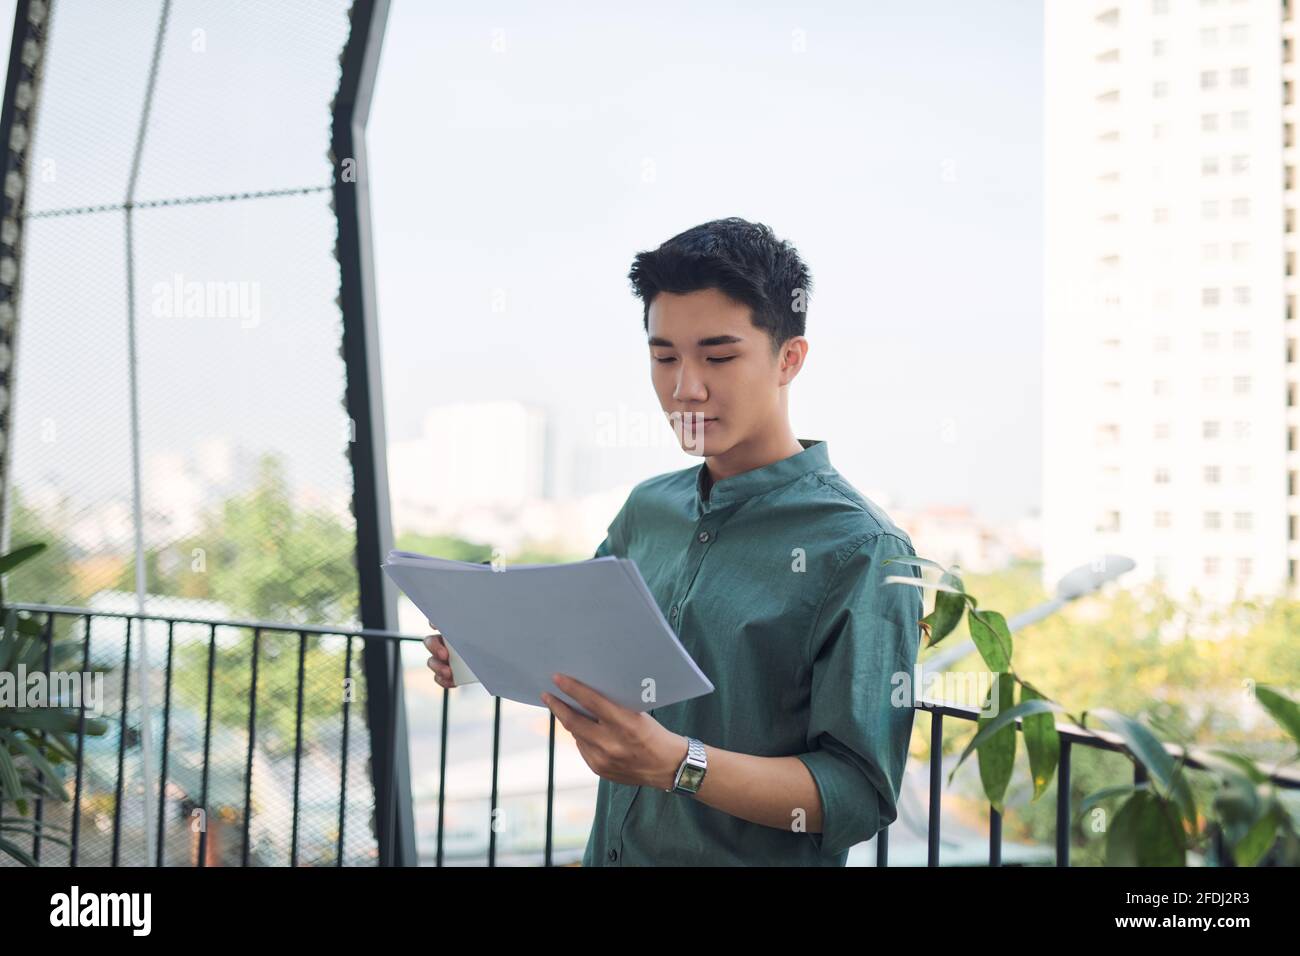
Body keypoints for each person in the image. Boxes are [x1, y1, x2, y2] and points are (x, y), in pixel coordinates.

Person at [426, 216, 923, 865]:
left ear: (789, 359)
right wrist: (477, 651)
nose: (686, 387)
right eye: (664, 358)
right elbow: (578, 643)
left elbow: (857, 795)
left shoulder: (861, 549)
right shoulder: (648, 510)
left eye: (718, 357)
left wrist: (678, 765)